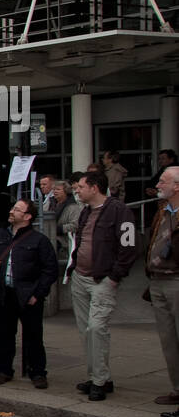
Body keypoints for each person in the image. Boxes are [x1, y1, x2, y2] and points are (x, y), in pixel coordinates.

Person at [68, 170, 138, 400]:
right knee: (85, 333)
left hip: (103, 280)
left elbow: (128, 247)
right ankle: (98, 377)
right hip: (80, 277)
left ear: (94, 187)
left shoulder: (120, 211)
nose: (76, 190)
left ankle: (99, 381)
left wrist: (115, 277)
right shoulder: (85, 212)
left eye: (80, 186)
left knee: (97, 329)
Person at [0, 198, 58, 389]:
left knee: (33, 335)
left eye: (16, 209)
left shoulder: (38, 240)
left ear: (28, 216)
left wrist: (38, 294)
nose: (11, 211)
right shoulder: (0, 234)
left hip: (27, 296)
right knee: (4, 334)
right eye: (12, 207)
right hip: (3, 294)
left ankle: (37, 372)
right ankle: (4, 369)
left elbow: (50, 270)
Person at [145, 167, 179, 417]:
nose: (157, 184)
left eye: (163, 181)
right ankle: (177, 389)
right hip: (157, 281)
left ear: (177, 186)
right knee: (169, 341)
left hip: (176, 281)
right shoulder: (162, 211)